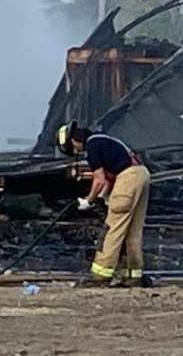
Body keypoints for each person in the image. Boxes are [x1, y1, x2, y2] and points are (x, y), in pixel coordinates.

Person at [58, 121, 151, 287]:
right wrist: (101, 197)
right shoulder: (104, 140)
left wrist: (89, 200)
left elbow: (99, 179)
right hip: (141, 175)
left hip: (128, 177)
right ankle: (133, 276)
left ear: (73, 140)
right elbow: (109, 179)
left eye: (73, 148)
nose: (76, 151)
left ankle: (100, 276)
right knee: (132, 230)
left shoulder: (92, 147)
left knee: (112, 228)